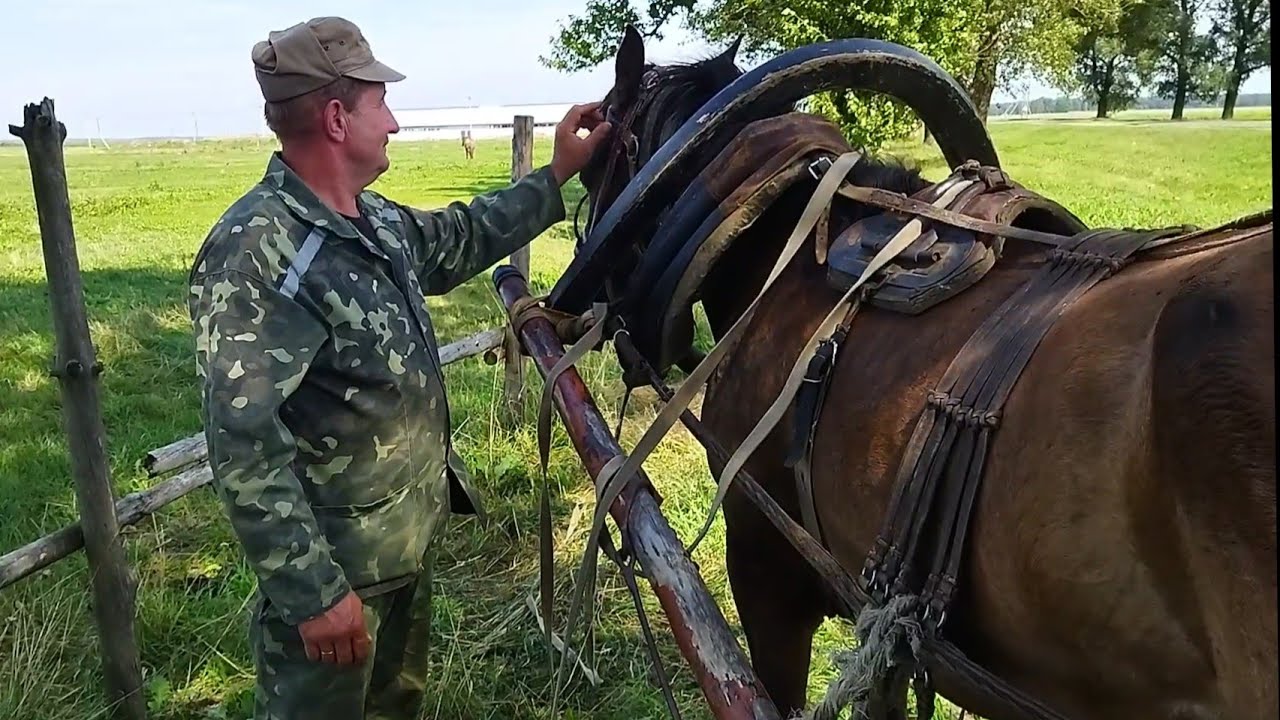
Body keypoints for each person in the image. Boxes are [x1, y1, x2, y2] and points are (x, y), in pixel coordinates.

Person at [186, 16, 611, 720]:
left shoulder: (370, 219)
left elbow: (463, 236)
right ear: (334, 117)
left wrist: (560, 170)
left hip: (402, 550)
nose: (394, 121)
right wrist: (313, 594)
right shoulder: (255, 254)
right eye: (379, 101)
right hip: (336, 574)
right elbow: (244, 445)